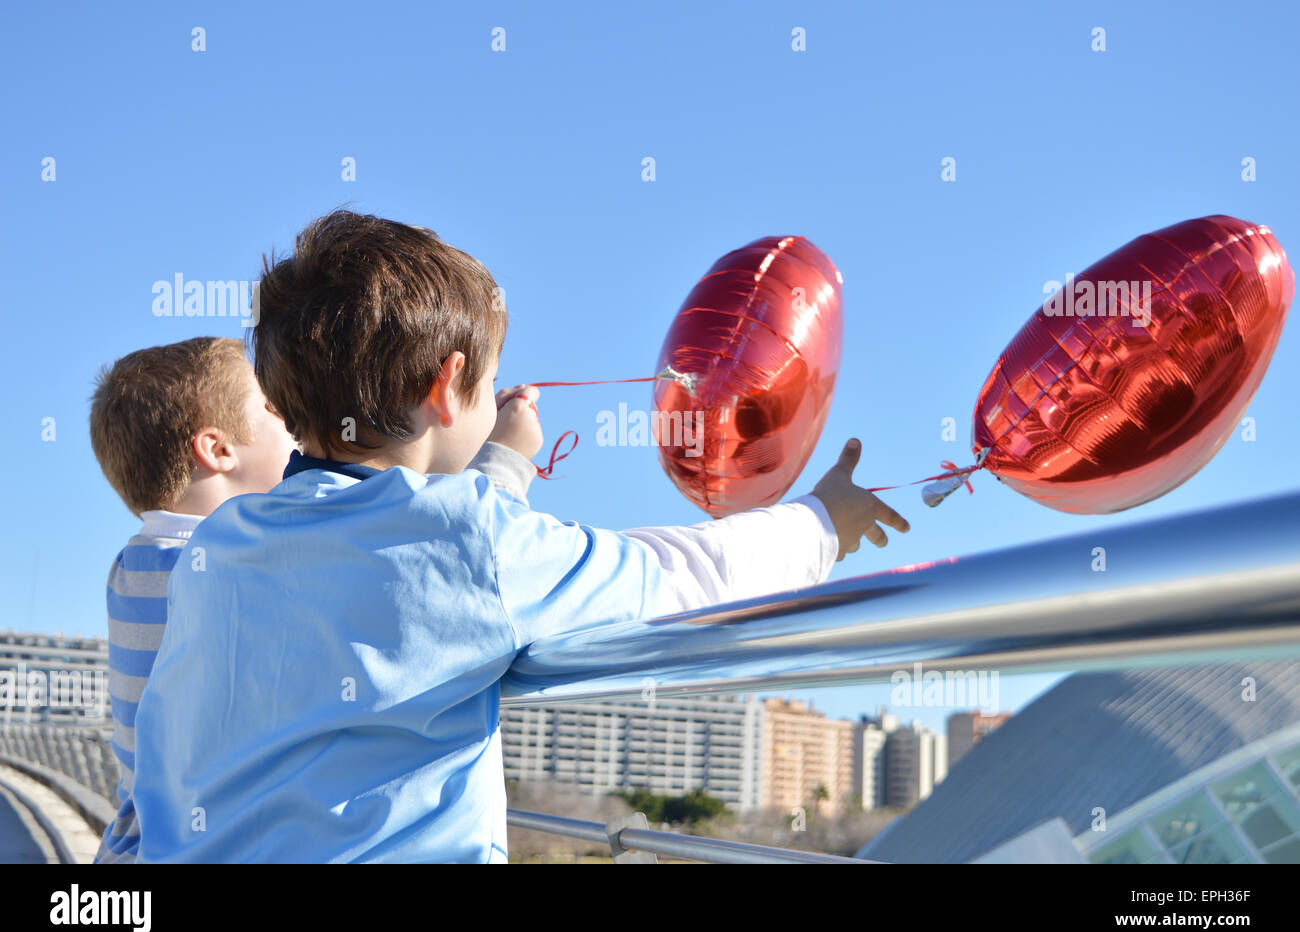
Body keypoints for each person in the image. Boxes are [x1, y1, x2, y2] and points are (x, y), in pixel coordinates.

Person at [130, 211, 908, 862]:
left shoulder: (223, 544)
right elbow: (679, 575)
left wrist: (501, 465)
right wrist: (820, 523)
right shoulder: (470, 541)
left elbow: (414, 553)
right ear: (447, 384)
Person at [89, 335, 535, 862]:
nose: (298, 423)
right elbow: (432, 570)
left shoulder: (133, 567)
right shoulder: (221, 567)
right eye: (275, 410)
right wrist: (499, 466)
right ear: (217, 449)